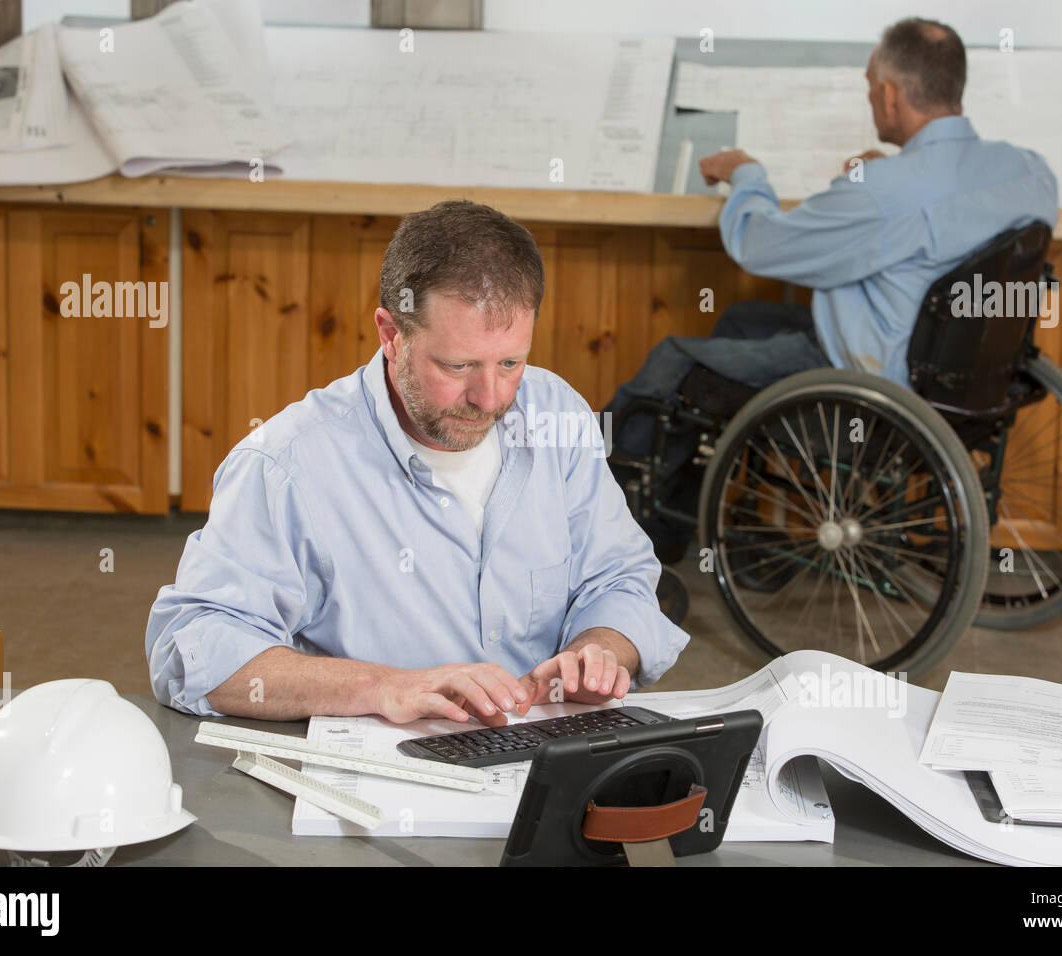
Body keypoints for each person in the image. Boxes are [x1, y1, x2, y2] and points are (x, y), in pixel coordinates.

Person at [145, 200, 689, 723]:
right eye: (457, 366)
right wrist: (385, 686)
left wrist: (600, 650)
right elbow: (191, 647)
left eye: (511, 362)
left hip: (542, 755)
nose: (492, 397)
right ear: (391, 335)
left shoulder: (556, 415)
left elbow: (618, 579)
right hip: (386, 772)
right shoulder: (287, 464)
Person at [605, 16, 1059, 564]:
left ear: (890, 95)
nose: (873, 101)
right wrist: (890, 178)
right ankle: (705, 525)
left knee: (673, 359)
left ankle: (613, 536)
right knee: (744, 319)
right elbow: (933, 220)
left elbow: (759, 244)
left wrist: (748, 174)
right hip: (965, 384)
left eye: (872, 89)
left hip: (873, 388)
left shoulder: (883, 195)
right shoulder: (1030, 172)